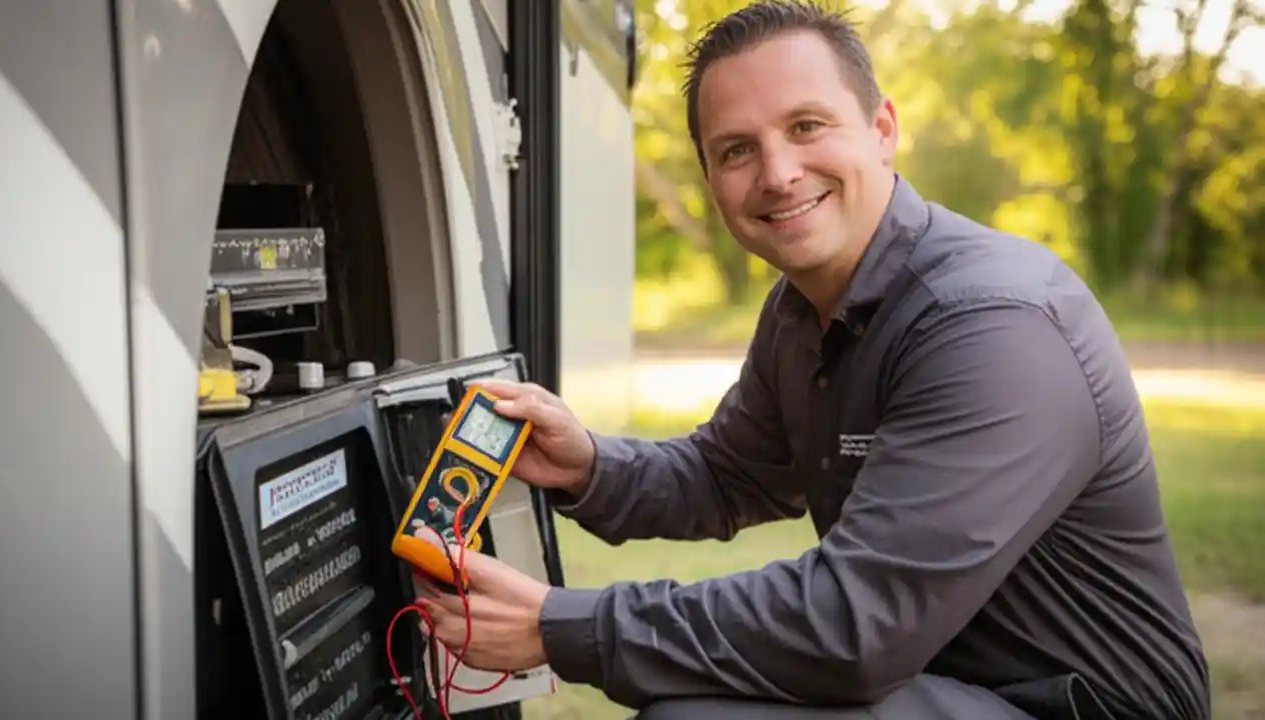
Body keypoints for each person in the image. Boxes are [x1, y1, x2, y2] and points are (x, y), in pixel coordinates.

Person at [410, 2, 1210, 718]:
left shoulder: (992, 324)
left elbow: (853, 625)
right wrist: (587, 466)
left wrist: (559, 628)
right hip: (939, 680)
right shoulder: (801, 308)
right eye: (737, 150)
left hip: (1071, 702)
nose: (778, 174)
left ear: (883, 128)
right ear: (711, 179)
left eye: (805, 126)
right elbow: (729, 475)